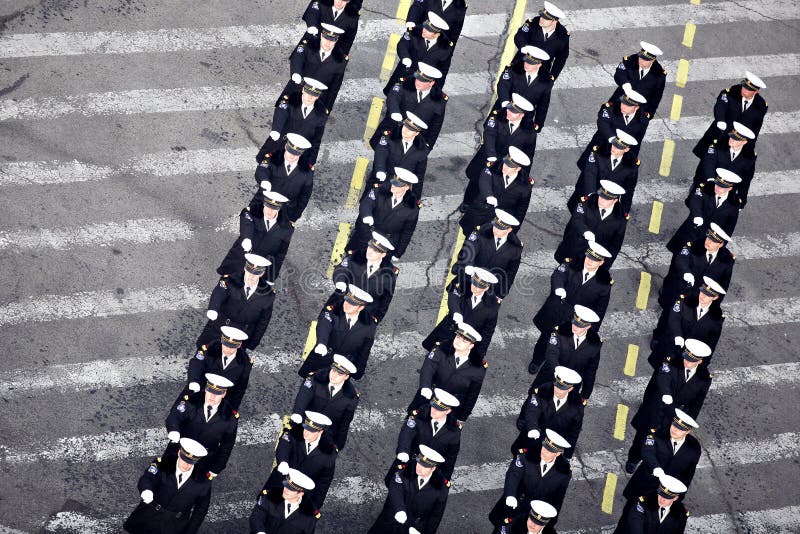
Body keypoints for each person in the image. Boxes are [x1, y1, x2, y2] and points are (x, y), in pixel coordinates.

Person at [627, 340, 712, 471]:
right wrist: (666, 393)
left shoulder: (704, 378)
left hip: (674, 417)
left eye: (692, 361)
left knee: (662, 445)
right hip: (656, 408)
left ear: (700, 361)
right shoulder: (672, 360)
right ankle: (633, 459)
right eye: (686, 358)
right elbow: (663, 376)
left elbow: (696, 404)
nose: (687, 363)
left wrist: (687, 423)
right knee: (642, 436)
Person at [531, 241, 613, 363]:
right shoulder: (572, 264)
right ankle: (537, 361)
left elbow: (600, 310)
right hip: (558, 310)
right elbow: (558, 275)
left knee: (564, 348)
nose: (589, 261)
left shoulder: (604, 284)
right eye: (588, 257)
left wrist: (590, 332)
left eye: (594, 260)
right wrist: (559, 288)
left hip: (575, 321)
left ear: (601, 262)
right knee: (545, 339)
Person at [489, 429, 572, 533]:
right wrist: (510, 495)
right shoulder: (527, 455)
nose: (544, 451)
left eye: (550, 450)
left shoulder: (564, 471)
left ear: (558, 453)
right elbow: (513, 474)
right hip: (515, 505)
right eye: (544, 447)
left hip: (536, 515)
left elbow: (558, 497)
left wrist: (551, 521)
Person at [123, 438, 211, 534]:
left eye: (190, 463)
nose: (186, 465)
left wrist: (190, 531)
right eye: (184, 460)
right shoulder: (163, 464)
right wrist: (146, 490)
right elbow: (147, 478)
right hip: (148, 516)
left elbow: (201, 510)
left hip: (173, 526)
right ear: (179, 453)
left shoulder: (203, 480)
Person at [463, 94, 537, 207]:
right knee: (475, 182)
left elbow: (528, 155)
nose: (508, 111)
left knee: (496, 189)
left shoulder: (529, 133)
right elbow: (489, 135)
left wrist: (523, 177)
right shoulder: (498, 117)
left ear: (522, 115)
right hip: (488, 157)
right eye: (509, 108)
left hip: (508, 165)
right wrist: (492, 155)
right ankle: (467, 202)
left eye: (513, 111)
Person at [408, 323, 487, 423]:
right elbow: (428, 367)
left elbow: (472, 393)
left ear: (471, 346)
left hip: (449, 410)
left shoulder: (478, 368)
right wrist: (425, 386)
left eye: (464, 340)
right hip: (427, 399)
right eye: (458, 337)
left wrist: (462, 416)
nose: (459, 341)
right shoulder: (441, 349)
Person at [165, 374, 239, 478]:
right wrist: (173, 430)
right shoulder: (191, 401)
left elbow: (227, 445)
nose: (212, 396)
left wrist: (217, 467)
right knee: (165, 478)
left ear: (224, 394)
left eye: (217, 393)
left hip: (202, 461)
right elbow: (175, 416)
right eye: (210, 391)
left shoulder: (230, 417)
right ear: (206, 389)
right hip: (179, 452)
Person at [298, 284, 377, 379]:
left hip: (342, 369)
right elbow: (324, 325)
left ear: (361, 308)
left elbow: (364, 350)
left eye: (353, 304)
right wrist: (322, 343)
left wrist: (359, 371)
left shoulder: (369, 325)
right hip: (322, 360)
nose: (347, 305)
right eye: (347, 300)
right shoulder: (333, 310)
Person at [198, 254, 275, 350]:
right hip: (219, 328)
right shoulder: (231, 279)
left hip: (241, 336)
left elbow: (263, 321)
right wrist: (213, 308)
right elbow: (219, 292)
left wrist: (253, 342)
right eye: (249, 272)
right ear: (245, 269)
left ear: (262, 273)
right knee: (205, 356)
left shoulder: (267, 294)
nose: (251, 276)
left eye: (256, 273)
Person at [368, 445, 451, 534]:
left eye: (424, 466)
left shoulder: (441, 488)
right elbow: (396, 489)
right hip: (391, 521)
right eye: (419, 462)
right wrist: (400, 509)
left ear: (433, 468)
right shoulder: (405, 471)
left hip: (414, 528)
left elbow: (435, 516)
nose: (419, 467)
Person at [422, 266, 500, 358]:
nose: (475, 288)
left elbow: (488, 332)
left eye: (479, 286)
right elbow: (453, 295)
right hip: (447, 332)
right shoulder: (464, 285)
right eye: (474, 283)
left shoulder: (492, 306)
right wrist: (456, 312)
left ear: (486, 288)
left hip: (464, 342)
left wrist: (479, 355)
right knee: (432, 357)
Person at [265, 411, 338, 508]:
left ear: (320, 432)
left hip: (299, 497)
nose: (306, 432)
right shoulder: (295, 432)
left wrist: (315, 507)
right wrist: (283, 461)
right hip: (279, 485)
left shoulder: (329, 453)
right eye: (306, 428)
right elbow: (284, 446)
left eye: (311, 431)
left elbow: (323, 483)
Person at [531, 305, 602, 403]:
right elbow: (551, 353)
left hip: (571, 386)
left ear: (588, 327)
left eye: (579, 325)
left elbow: (591, 370)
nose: (575, 326)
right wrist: (560, 374)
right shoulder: (560, 330)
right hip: (549, 376)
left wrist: (585, 393)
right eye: (575, 323)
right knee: (534, 401)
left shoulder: (594, 344)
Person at [217, 192, 294, 282]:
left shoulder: (287, 228)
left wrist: (271, 278)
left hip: (258, 271)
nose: (269, 211)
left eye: (274, 209)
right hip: (238, 261)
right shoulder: (252, 213)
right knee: (226, 288)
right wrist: (247, 238)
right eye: (268, 207)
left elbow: (280, 254)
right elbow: (246, 224)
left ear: (279, 209)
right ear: (264, 205)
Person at [623, 410, 701, 499]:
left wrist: (680, 496)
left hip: (665, 493)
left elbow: (688, 474)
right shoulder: (657, 433)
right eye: (674, 425)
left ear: (688, 431)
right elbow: (647, 452)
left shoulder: (694, 448)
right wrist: (656, 467)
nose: (675, 430)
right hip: (644, 483)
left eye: (680, 429)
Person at [511, 366, 584, 458]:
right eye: (557, 386)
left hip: (551, 447)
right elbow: (532, 410)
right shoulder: (544, 389)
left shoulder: (577, 407)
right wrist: (533, 428)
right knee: (519, 457)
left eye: (562, 388)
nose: (557, 390)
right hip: (532, 436)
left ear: (570, 389)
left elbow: (573, 432)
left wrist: (567, 456)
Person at [291, 354, 361, 451]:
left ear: (346, 377)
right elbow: (302, 398)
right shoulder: (315, 379)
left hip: (326, 437)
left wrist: (338, 445)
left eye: (340, 374)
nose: (334, 375)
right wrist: (298, 414)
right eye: (333, 370)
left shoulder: (351, 398)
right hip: (304, 427)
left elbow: (344, 423)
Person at [651, 277, 725, 366]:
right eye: (702, 291)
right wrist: (677, 335)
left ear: (715, 297)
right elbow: (674, 317)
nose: (702, 296)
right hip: (671, 342)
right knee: (659, 363)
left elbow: (711, 342)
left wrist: (703, 364)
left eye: (708, 295)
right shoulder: (686, 300)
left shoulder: (716, 318)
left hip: (689, 356)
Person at [451, 210, 523, 301]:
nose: (496, 230)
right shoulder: (481, 232)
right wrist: (468, 267)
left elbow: (510, 273)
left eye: (501, 228)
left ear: (509, 230)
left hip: (489, 287)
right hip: (470, 279)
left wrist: (500, 294)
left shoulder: (515, 248)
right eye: (495, 226)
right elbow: (469, 252)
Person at [692, 71, 768, 157]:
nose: (744, 89)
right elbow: (721, 106)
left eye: (748, 89)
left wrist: (749, 148)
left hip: (735, 142)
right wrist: (720, 120)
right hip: (720, 134)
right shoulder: (732, 92)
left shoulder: (761, 106)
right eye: (744, 86)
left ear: (756, 92)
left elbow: (756, 127)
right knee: (707, 162)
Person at [391, 388, 462, 479]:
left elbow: (450, 458)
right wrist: (403, 451)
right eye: (433, 406)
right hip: (408, 463)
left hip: (429, 472)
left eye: (439, 409)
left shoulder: (454, 432)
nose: (434, 410)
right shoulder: (420, 415)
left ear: (448, 411)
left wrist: (445, 480)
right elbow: (407, 433)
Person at [459, 146, 533, 233]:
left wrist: (512, 232)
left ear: (518, 169)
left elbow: (520, 211)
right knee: (468, 243)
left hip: (497, 225)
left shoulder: (525, 187)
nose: (505, 167)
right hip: (478, 216)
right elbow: (484, 180)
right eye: (505, 163)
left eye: (510, 166)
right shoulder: (494, 167)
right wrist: (489, 195)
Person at [658, 224, 734, 309]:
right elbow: (681, 259)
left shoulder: (727, 260)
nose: (708, 242)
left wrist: (714, 306)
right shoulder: (695, 244)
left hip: (697, 298)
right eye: (709, 237)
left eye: (713, 241)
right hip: (680, 288)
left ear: (720, 244)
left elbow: (724, 284)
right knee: (667, 306)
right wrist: (686, 272)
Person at [666, 169, 741, 254]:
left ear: (730, 188)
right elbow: (695, 200)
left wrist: (719, 247)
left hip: (706, 241)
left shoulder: (734, 204)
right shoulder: (707, 187)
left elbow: (729, 227)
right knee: (677, 258)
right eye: (717, 185)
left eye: (722, 187)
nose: (717, 188)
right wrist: (697, 215)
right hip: (690, 232)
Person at [350, 168, 420, 258]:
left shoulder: (412, 208)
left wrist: (398, 253)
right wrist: (367, 215)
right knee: (353, 259)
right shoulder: (380, 190)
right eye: (393, 182)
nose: (393, 186)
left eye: (397, 185)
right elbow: (367, 202)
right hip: (367, 233)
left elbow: (407, 232)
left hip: (385, 244)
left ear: (406, 187)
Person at [330, 231, 398, 323]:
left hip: (365, 314)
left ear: (383, 254)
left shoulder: (389, 273)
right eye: (370, 247)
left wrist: (377, 318)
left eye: (375, 251)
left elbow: (386, 298)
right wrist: (340, 281)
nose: (370, 251)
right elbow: (341, 269)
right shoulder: (355, 256)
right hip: (344, 303)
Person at [557, 180, 629, 266]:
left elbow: (615, 245)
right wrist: (585, 231)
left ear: (615, 200)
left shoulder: (620, 218)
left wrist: (605, 267)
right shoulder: (587, 201)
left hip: (593, 259)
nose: (601, 200)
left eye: (606, 199)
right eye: (601, 196)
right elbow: (577, 219)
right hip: (573, 250)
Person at [260, 79, 329, 166]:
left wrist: (311, 161)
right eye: (308, 93)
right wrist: (276, 130)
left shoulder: (321, 114)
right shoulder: (291, 99)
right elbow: (281, 112)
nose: (310, 97)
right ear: (303, 90)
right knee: (264, 166)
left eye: (314, 95)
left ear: (317, 97)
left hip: (297, 153)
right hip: (279, 144)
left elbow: (316, 139)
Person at [568, 130, 640, 214]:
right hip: (588, 196)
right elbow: (589, 175)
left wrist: (624, 213)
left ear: (626, 149)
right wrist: (592, 201)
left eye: (618, 147)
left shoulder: (631, 166)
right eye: (614, 144)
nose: (613, 148)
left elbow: (628, 191)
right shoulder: (599, 153)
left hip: (607, 203)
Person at [379, 62, 447, 148]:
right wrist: (395, 112)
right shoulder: (406, 82)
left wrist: (427, 147)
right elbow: (393, 96)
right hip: (391, 132)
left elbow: (435, 126)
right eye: (417, 78)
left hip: (413, 141)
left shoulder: (439, 100)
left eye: (422, 81)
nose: (418, 82)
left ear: (431, 83)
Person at [689, 121, 756, 207]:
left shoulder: (749, 159)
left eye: (736, 139)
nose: (731, 140)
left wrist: (741, 200)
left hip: (726, 191)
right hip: (709, 184)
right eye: (732, 137)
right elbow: (709, 162)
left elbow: (746, 181)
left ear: (744, 142)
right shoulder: (718, 145)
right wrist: (710, 180)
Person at [577, 88, 648, 169]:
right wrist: (613, 140)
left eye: (628, 105)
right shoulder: (611, 108)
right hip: (600, 149)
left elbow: (636, 142)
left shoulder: (642, 120)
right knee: (588, 173)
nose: (623, 107)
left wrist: (630, 161)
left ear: (636, 108)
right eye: (623, 103)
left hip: (617, 157)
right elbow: (603, 124)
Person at [365, 111, 431, 197]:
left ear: (417, 133)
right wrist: (380, 170)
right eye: (405, 126)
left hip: (400, 186)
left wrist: (415, 198)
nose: (405, 130)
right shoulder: (391, 136)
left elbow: (419, 174)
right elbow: (381, 152)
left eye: (410, 129)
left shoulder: (422, 150)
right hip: (382, 177)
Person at [187, 326, 252, 411]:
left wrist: (233, 409)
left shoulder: (245, 362)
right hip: (200, 389)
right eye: (226, 344)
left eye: (232, 346)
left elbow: (240, 389)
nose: (228, 349)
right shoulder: (210, 348)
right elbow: (196, 364)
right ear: (222, 339)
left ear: (239, 345)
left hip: (221, 399)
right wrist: (194, 381)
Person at [285, 23, 348, 111]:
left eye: (332, 40)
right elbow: (297, 57)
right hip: (299, 90)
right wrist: (296, 73)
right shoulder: (309, 45)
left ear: (336, 41)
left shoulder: (340, 60)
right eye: (326, 38)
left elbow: (334, 86)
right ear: (322, 36)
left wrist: (327, 108)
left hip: (317, 98)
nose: (328, 43)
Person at [386, 11, 453, 92]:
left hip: (422, 83)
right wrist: (405, 57)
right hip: (404, 75)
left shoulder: (446, 47)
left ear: (437, 35)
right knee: (392, 96)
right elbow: (403, 44)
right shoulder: (415, 31)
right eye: (425, 26)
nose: (424, 30)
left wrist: (436, 91)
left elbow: (443, 70)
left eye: (428, 30)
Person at [254, 134, 315, 223]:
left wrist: (294, 216)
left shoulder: (307, 172)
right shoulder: (273, 158)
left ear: (301, 153)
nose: (292, 156)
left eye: (296, 153)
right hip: (263, 206)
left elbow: (304, 196)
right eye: (290, 151)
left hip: (285, 213)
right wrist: (264, 180)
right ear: (286, 146)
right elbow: (262, 170)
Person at [494, 47, 553, 126]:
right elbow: (503, 85)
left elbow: (543, 104)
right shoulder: (513, 70)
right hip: (504, 111)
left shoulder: (546, 82)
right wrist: (506, 104)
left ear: (539, 65)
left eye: (531, 63)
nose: (526, 64)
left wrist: (538, 123)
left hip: (524, 119)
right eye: (526, 61)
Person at [249, 468, 320, 534]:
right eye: (286, 485)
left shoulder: (310, 514)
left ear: (300, 494)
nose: (286, 490)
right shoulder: (271, 495)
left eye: (291, 489)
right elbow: (256, 516)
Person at [512, 2, 570, 81]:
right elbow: (519, 37)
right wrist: (527, 50)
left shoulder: (562, 36)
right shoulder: (532, 23)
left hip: (541, 73)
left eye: (545, 18)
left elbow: (561, 59)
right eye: (542, 16)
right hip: (522, 63)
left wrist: (552, 76)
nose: (541, 19)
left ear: (554, 21)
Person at [613, 474, 689, 533]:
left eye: (667, 498)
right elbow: (635, 521)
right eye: (661, 495)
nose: (662, 500)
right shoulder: (644, 503)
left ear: (675, 498)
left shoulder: (681, 514)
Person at [609, 42, 666, 118]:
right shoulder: (631, 60)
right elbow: (619, 73)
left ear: (653, 60)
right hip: (619, 102)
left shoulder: (659, 74)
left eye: (645, 60)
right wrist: (626, 84)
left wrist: (649, 114)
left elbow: (656, 97)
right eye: (641, 57)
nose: (641, 61)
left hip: (638, 111)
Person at [493, 500, 558, 534]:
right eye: (532, 520)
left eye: (537, 523)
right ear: (528, 517)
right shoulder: (512, 526)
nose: (533, 524)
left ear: (544, 525)